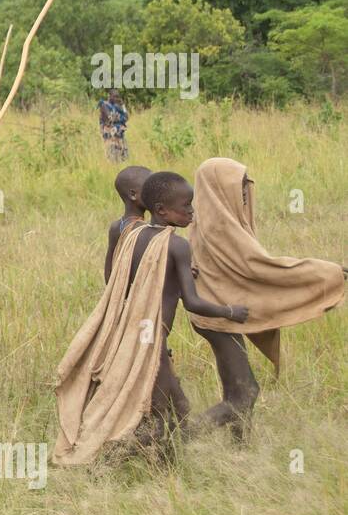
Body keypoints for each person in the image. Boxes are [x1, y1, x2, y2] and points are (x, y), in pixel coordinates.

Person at [55, 171, 249, 465]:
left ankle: (160, 469)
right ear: (161, 210)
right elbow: (194, 303)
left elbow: (124, 280)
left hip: (132, 334)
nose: (192, 212)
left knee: (169, 411)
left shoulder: (133, 236)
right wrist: (230, 312)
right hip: (152, 340)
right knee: (171, 415)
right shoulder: (177, 245)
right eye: (185, 206)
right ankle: (107, 460)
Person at [188, 157, 345, 436]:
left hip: (217, 315)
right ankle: (177, 440)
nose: (246, 193)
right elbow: (259, 267)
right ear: (219, 189)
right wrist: (329, 273)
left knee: (238, 390)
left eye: (246, 186)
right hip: (218, 318)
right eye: (239, 187)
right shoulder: (220, 228)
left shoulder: (211, 219)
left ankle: (240, 451)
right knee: (244, 393)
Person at [104, 165, 152, 282]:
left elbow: (109, 269)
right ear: (133, 195)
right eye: (151, 190)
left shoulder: (116, 226)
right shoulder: (145, 229)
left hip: (122, 294)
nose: (156, 194)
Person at [99, 89, 129, 163]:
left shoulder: (116, 106)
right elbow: (110, 118)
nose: (116, 99)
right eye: (114, 97)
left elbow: (126, 117)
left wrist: (123, 105)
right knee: (112, 158)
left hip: (119, 135)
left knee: (124, 158)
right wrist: (120, 118)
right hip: (109, 136)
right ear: (109, 96)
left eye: (117, 97)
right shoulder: (103, 104)